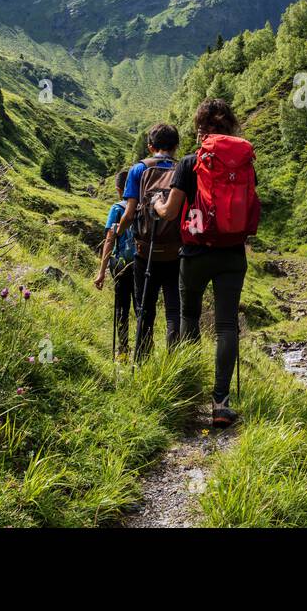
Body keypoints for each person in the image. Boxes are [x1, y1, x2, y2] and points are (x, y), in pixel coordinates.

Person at [154, 98, 260, 428]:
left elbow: (171, 212)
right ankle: (221, 403)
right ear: (230, 128)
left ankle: (188, 391)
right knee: (227, 325)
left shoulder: (189, 163)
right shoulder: (244, 164)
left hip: (196, 251)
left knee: (190, 316)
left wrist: (158, 203)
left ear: (200, 129)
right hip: (232, 253)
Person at [113, 122, 182, 360]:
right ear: (176, 146)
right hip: (176, 252)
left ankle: (142, 360)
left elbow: (129, 213)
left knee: (145, 308)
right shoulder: (183, 169)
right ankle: (176, 363)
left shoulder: (138, 170)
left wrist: (118, 232)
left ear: (150, 146)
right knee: (175, 310)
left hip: (145, 251)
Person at [92, 170, 136, 358]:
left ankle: (123, 350)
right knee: (143, 308)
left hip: (120, 264)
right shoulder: (143, 207)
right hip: (142, 264)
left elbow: (109, 240)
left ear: (119, 189)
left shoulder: (117, 209)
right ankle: (143, 351)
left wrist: (101, 272)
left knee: (122, 308)